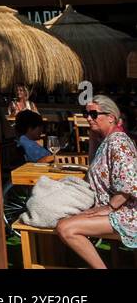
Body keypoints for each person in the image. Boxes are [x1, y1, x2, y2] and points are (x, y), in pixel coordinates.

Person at [55, 96, 137, 268]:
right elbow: (92, 166)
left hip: (128, 213)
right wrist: (92, 137)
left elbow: (130, 184)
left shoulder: (118, 142)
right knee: (63, 221)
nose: (88, 118)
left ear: (111, 117)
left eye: (93, 114)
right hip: (118, 209)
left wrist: (108, 208)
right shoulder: (108, 140)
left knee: (66, 228)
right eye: (85, 114)